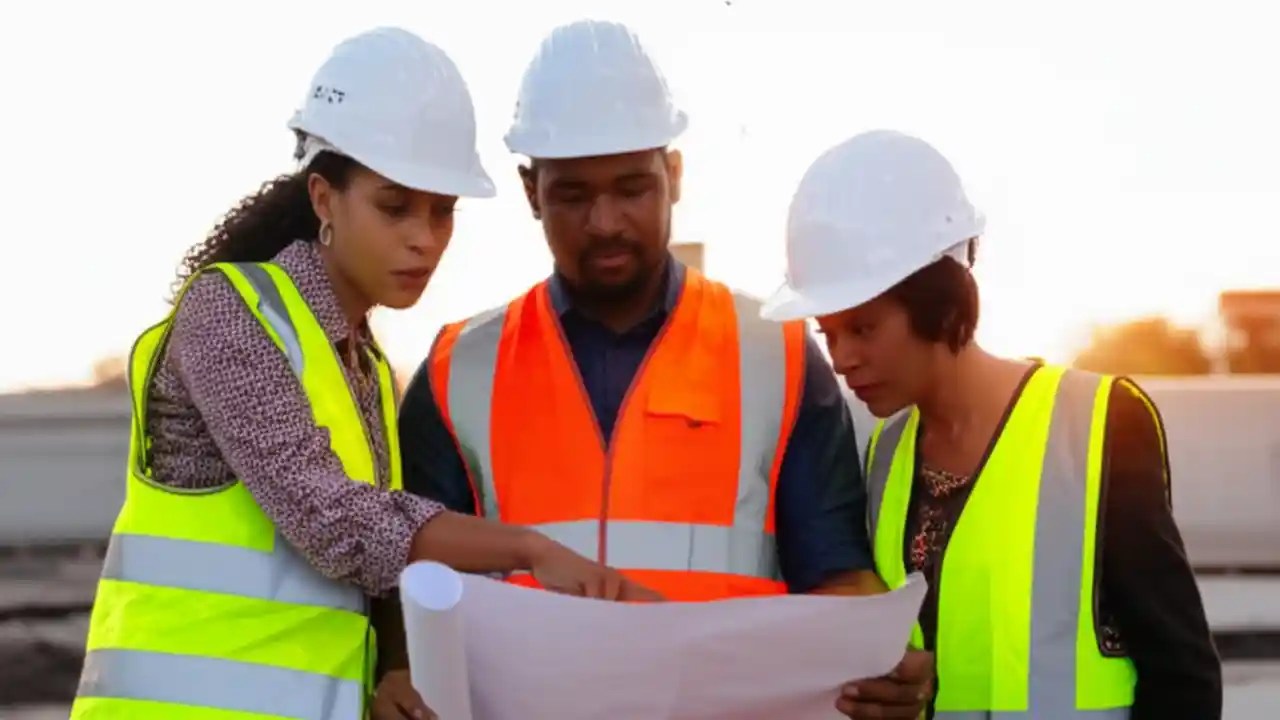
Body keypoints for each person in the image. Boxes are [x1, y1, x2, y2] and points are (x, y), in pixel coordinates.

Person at [69, 27, 649, 720]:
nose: (424, 238)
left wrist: (389, 671)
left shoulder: (365, 366)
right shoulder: (229, 312)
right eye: (394, 206)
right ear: (323, 198)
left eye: (442, 212)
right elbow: (334, 520)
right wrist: (527, 548)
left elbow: (344, 581)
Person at [374, 19, 932, 720]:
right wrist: (397, 668)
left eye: (631, 187)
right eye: (572, 195)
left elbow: (835, 574)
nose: (605, 222)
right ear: (529, 191)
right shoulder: (459, 371)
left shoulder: (776, 352)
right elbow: (413, 580)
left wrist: (877, 665)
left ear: (673, 175)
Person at [759, 129, 1223, 718]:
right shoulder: (883, 454)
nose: (842, 357)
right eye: (828, 333)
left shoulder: (1095, 425)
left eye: (863, 327)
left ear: (940, 301)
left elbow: (1183, 675)